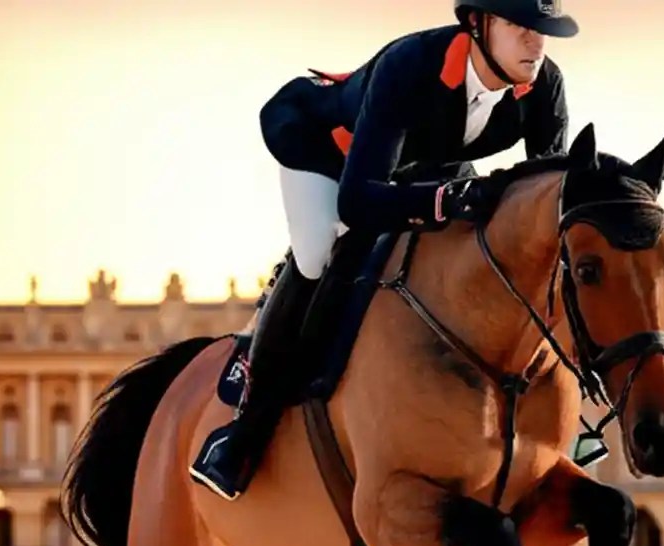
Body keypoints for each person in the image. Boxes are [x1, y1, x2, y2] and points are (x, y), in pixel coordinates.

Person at [190, 0, 579, 501]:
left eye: (542, 30)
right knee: (319, 253)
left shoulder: (545, 86)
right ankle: (246, 428)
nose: (535, 42)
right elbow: (359, 200)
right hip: (330, 153)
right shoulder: (410, 66)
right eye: (520, 26)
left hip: (427, 163)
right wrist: (442, 201)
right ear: (478, 24)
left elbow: (543, 204)